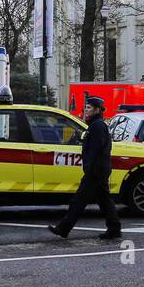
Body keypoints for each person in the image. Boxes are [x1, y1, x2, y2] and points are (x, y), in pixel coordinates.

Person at [49, 96, 121, 240]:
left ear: (96, 110)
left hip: (96, 170)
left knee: (79, 200)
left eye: (88, 108)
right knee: (104, 200)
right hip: (97, 169)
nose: (86, 110)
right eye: (85, 108)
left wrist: (89, 168)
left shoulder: (98, 126)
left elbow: (95, 149)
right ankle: (114, 228)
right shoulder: (95, 125)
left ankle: (64, 228)